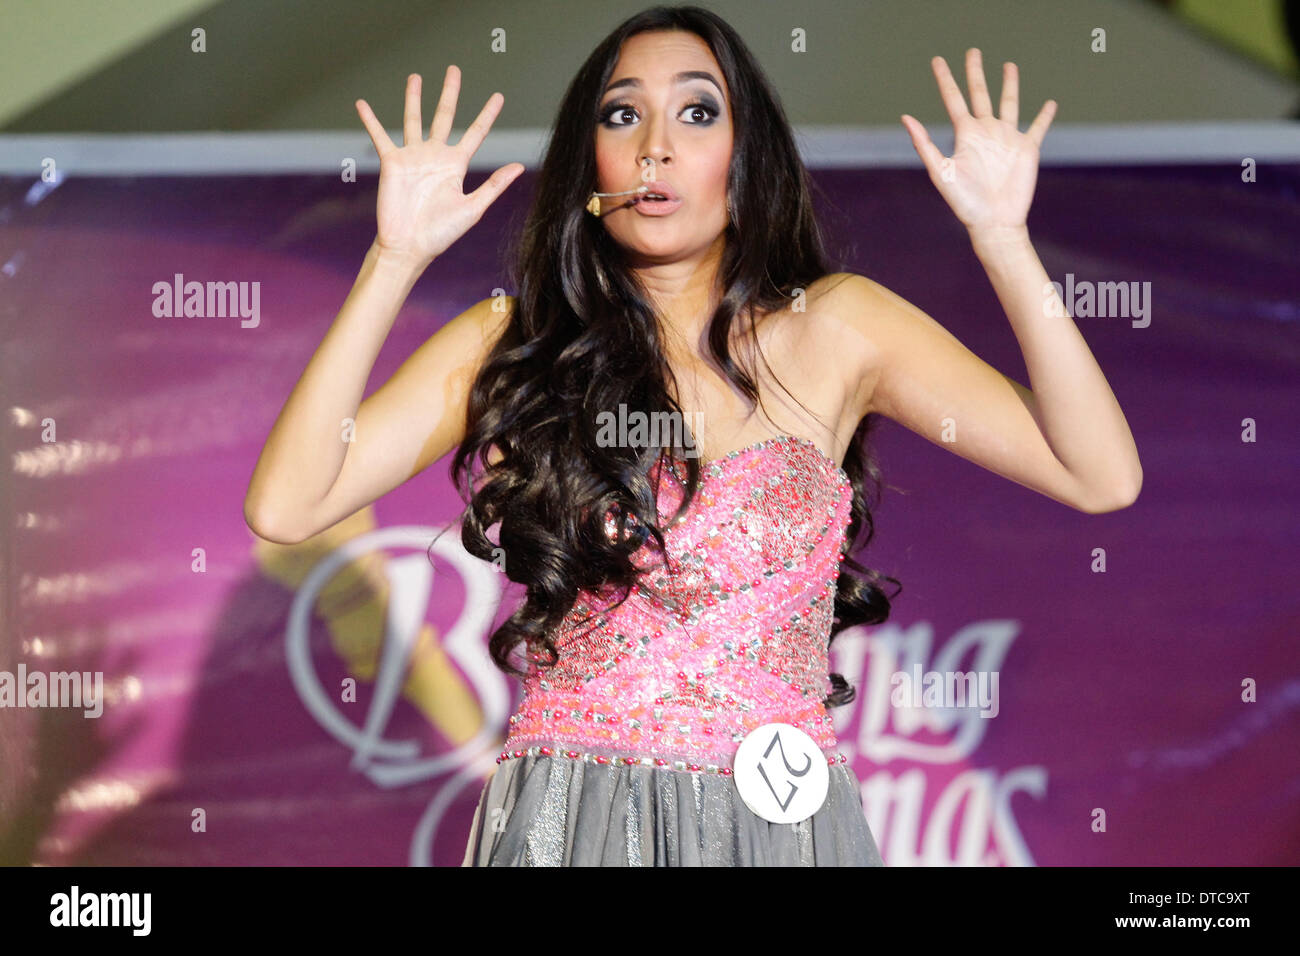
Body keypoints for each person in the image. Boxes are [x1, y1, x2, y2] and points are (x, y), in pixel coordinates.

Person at [243, 5, 1142, 866]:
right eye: (623, 113)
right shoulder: (515, 341)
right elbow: (289, 503)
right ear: (589, 162)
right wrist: (392, 259)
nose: (655, 146)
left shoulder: (837, 327)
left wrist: (1004, 240)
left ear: (745, 157)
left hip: (778, 823)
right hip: (572, 822)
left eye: (697, 112)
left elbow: (1097, 473)